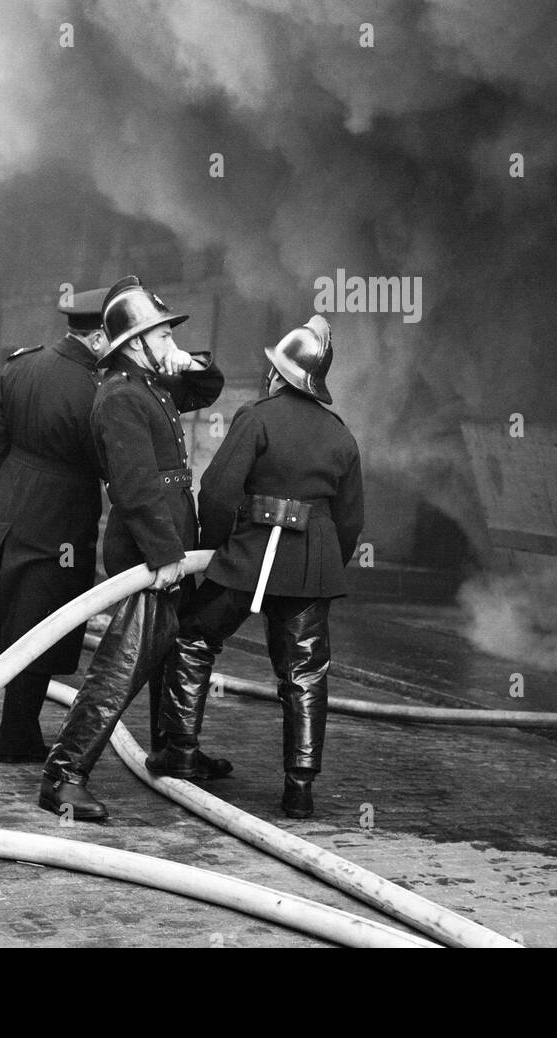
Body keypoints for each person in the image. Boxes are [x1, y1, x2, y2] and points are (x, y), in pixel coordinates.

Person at [153, 315, 362, 820]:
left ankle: (179, 753)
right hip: (310, 567)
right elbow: (351, 520)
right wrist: (323, 564)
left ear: (279, 375)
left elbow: (220, 491)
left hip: (249, 556)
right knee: (306, 673)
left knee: (193, 639)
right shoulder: (341, 435)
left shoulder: (256, 416)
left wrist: (213, 552)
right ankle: (299, 789)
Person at [38, 275, 223, 822]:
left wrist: (186, 360)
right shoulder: (121, 396)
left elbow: (207, 387)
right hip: (148, 552)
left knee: (169, 649)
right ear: (136, 342)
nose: (170, 343)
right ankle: (63, 776)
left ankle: (174, 752)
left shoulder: (151, 385)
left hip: (167, 545)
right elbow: (136, 488)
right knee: (122, 665)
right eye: (162, 335)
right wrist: (165, 556)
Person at [0, 288, 109, 763]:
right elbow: (102, 460)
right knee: (38, 623)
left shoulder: (18, 366)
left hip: (5, 506)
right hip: (59, 518)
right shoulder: (97, 389)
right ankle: (17, 736)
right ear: (99, 337)